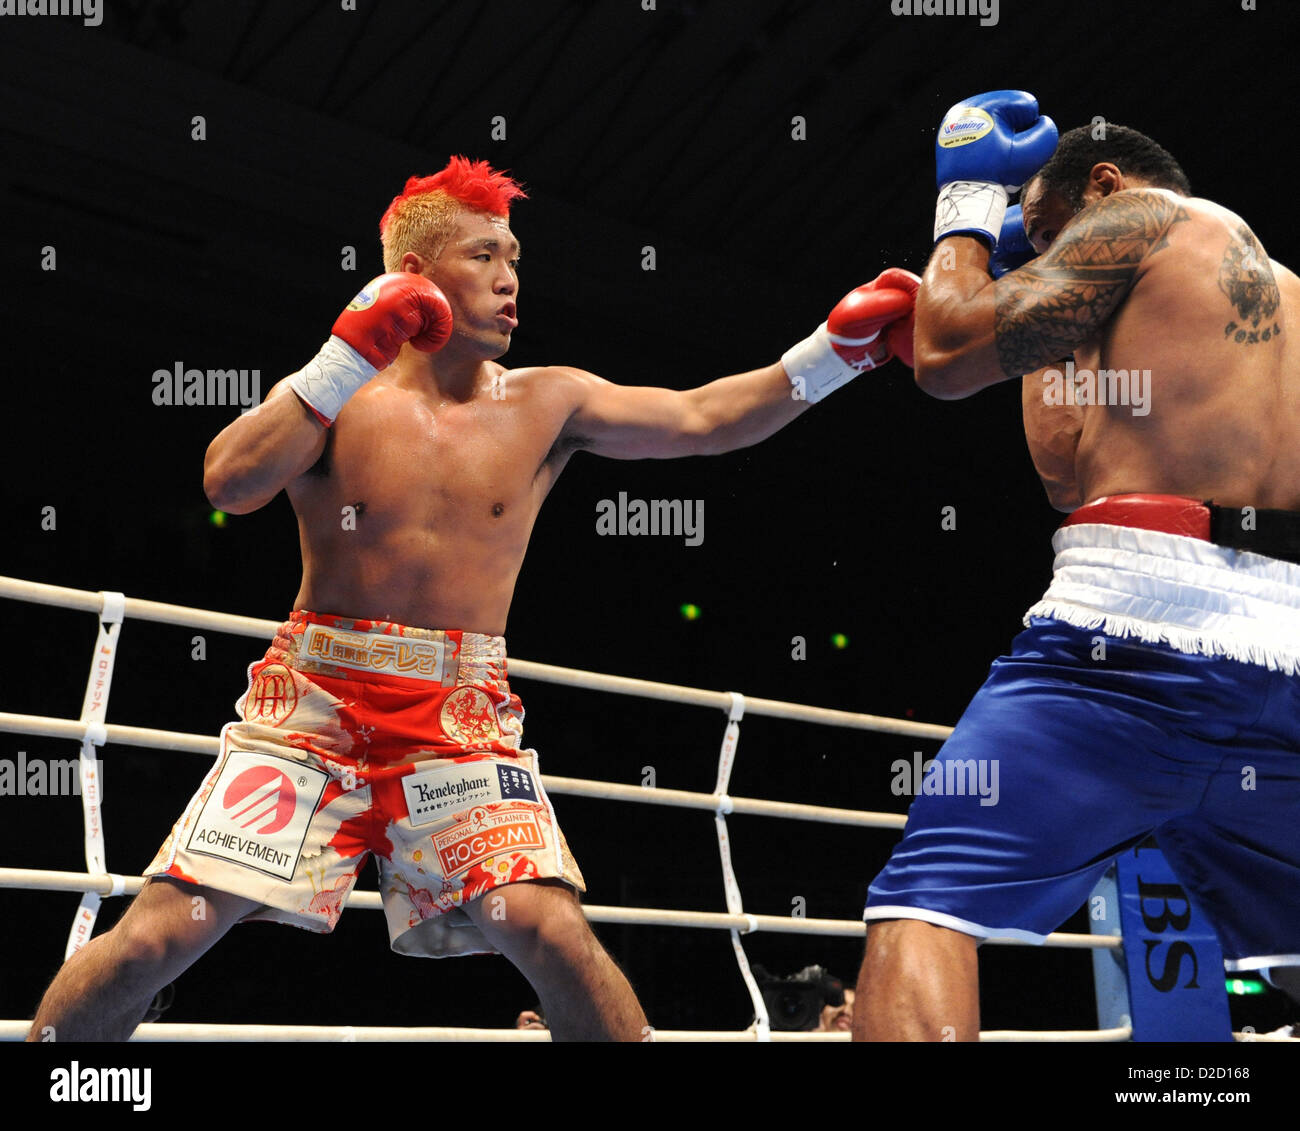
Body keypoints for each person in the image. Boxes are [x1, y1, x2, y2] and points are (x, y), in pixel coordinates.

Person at [27, 156, 918, 1043]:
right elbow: (229, 481)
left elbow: (708, 418)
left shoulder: (547, 400)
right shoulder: (338, 396)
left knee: (551, 928)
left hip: (460, 717)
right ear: (412, 278)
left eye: (516, 258)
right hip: (312, 707)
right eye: (486, 256)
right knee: (154, 938)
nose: (510, 281)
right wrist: (343, 356)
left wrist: (837, 354)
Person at [854, 92, 1300, 1041]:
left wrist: (969, 216)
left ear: (1103, 181)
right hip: (1286, 660)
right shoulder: (1292, 298)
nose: (1049, 264)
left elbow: (942, 353)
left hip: (1128, 634)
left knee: (927, 908)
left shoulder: (1137, 218)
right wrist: (1032, 317)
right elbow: (1066, 468)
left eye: (1050, 238)